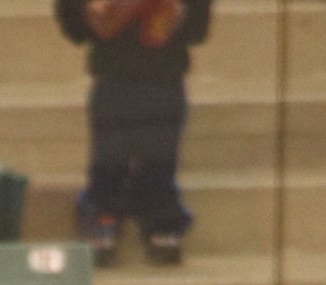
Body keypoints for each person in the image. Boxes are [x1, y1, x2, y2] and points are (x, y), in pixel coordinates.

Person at [57, 0, 211, 266]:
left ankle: (160, 213)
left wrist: (180, 13)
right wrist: (88, 12)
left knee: (161, 149)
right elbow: (72, 18)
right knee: (110, 150)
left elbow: (198, 22)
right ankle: (103, 211)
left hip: (165, 67)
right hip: (113, 67)